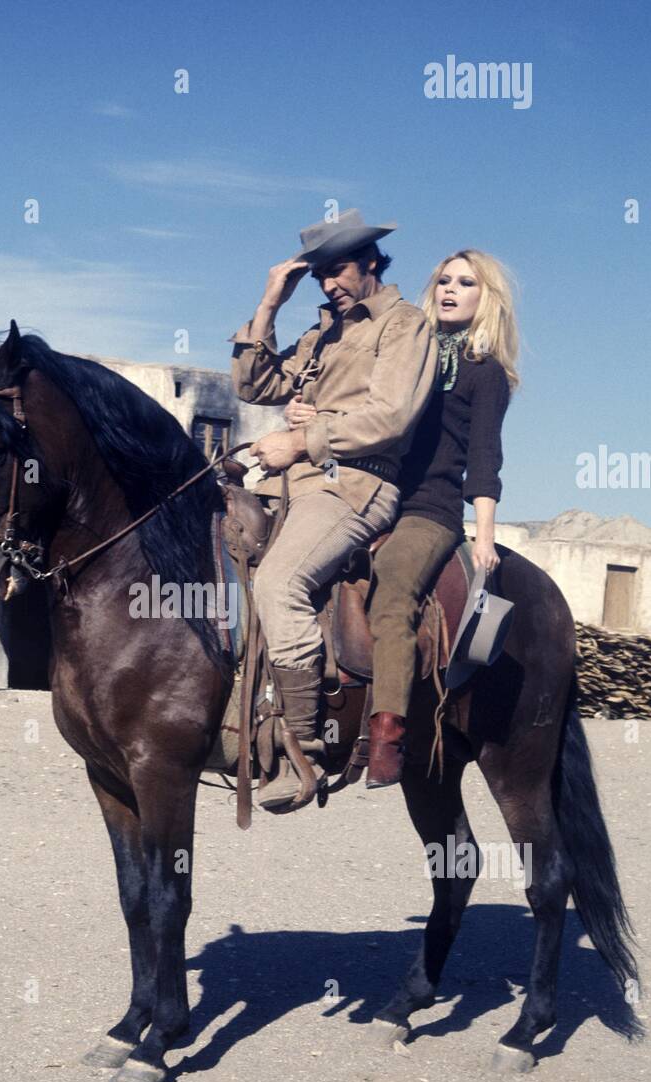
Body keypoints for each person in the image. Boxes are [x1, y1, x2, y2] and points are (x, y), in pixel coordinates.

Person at [230, 210, 437, 811]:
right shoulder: (322, 333)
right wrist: (269, 305)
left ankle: (303, 751)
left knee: (281, 581)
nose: (329, 285)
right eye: (318, 276)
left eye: (337, 271)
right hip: (288, 482)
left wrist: (303, 437)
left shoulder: (403, 326)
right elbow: (254, 385)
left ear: (371, 261)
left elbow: (391, 416)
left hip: (352, 485)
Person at [365, 248, 520, 787]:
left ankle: (386, 733)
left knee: (393, 587)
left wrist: (483, 535)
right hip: (366, 492)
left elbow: (484, 458)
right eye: (444, 280)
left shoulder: (485, 374)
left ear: (487, 300)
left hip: (428, 509)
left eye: (466, 283)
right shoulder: (407, 352)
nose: (450, 290)